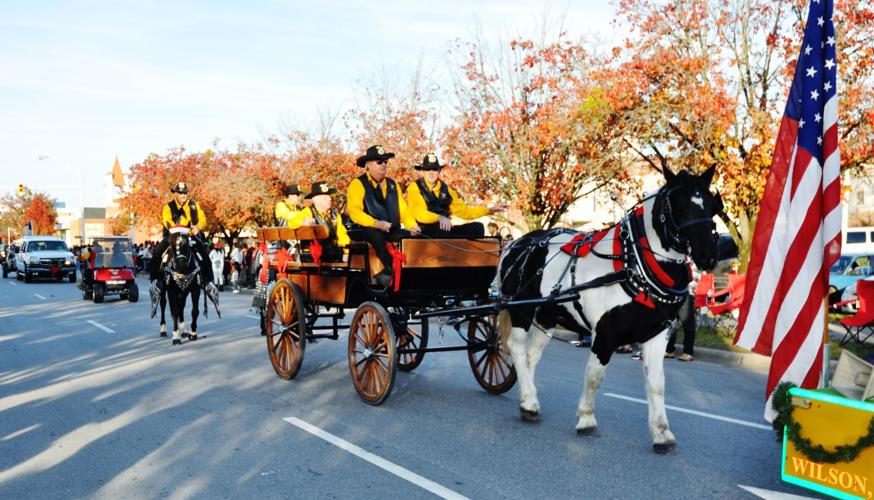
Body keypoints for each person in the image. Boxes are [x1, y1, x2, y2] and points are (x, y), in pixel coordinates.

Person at [346, 144, 421, 288]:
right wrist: (376, 223)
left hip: (390, 229)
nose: (384, 164)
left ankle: (406, 274)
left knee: (413, 237)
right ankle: (390, 271)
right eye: (379, 161)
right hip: (365, 229)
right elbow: (354, 212)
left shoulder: (393, 184)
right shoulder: (358, 183)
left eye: (385, 161)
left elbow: (403, 210)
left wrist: (413, 225)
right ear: (368, 165)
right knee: (377, 234)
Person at [405, 153, 506, 237]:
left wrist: (489, 210)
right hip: (423, 232)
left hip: (444, 231)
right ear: (423, 171)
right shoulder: (414, 187)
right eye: (428, 169)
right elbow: (420, 214)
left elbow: (465, 211)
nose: (431, 172)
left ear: (439, 171)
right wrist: (439, 218)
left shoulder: (447, 191)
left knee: (477, 227)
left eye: (434, 169)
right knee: (440, 229)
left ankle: (468, 255)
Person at [150, 182, 216, 293]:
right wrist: (177, 230)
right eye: (180, 193)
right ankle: (155, 281)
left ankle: (209, 282)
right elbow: (167, 220)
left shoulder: (194, 205)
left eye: (185, 193)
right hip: (172, 236)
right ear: (176, 193)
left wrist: (198, 227)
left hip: (190, 236)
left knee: (204, 254)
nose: (183, 195)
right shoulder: (168, 206)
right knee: (157, 252)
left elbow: (202, 218)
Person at [290, 181, 350, 263]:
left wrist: (347, 252)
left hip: (333, 256)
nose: (329, 199)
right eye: (325, 197)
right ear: (316, 200)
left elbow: (342, 236)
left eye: (329, 196)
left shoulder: (335, 215)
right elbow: (291, 223)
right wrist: (302, 222)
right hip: (313, 258)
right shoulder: (308, 212)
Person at [666, 265, 699, 361]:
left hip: (687, 292)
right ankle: (669, 350)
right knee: (671, 322)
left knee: (687, 323)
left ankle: (688, 352)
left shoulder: (693, 260)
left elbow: (696, 276)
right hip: (673, 292)